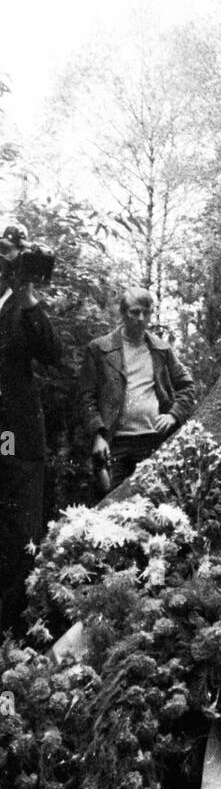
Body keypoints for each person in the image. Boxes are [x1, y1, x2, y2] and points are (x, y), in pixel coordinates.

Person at [0, 224, 62, 631]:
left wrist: (27, 296)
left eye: (7, 253)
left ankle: (14, 632)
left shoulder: (21, 305)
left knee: (19, 535)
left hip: (12, 440)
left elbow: (52, 354)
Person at [79, 288, 195, 491]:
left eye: (146, 312)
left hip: (152, 440)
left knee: (155, 501)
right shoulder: (99, 349)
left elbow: (186, 385)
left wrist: (173, 415)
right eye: (134, 312)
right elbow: (86, 397)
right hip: (114, 442)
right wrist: (98, 436)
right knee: (110, 504)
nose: (141, 318)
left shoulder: (161, 349)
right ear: (123, 313)